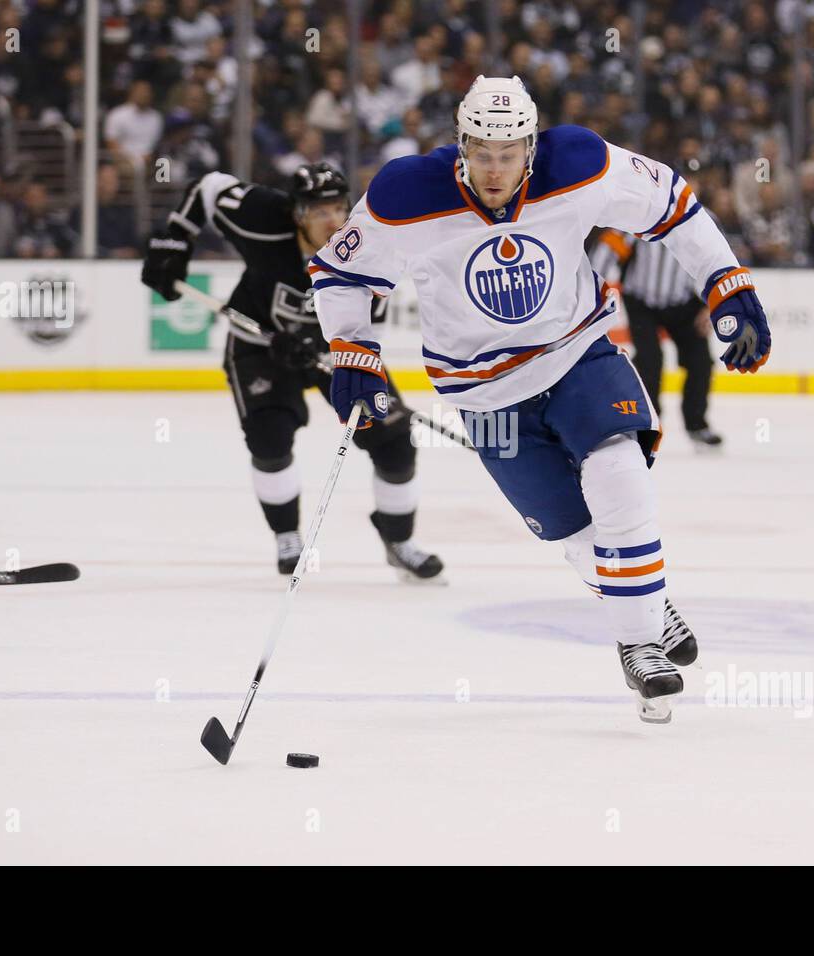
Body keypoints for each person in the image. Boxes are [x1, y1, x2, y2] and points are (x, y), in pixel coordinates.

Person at [310, 76, 771, 722]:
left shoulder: (578, 162)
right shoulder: (406, 193)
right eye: (482, 152)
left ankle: (638, 641)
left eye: (509, 153)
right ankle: (644, 606)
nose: (496, 169)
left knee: (619, 472)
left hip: (578, 354)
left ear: (531, 145)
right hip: (484, 393)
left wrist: (726, 282)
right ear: (460, 143)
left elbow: (669, 201)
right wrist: (353, 350)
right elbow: (340, 274)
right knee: (575, 530)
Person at [140, 161, 444, 581]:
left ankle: (400, 541)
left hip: (335, 350)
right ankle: (287, 536)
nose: (332, 221)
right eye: (318, 212)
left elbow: (364, 324)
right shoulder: (261, 216)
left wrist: (328, 352)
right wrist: (174, 241)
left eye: (338, 208)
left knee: (394, 441)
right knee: (269, 438)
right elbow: (208, 187)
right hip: (259, 345)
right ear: (296, 213)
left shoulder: (368, 241)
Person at [590, 228, 723, 448]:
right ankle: (647, 424)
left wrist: (710, 304)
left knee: (700, 362)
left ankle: (697, 425)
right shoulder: (641, 211)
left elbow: (716, 262)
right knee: (649, 361)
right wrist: (592, 287)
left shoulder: (702, 219)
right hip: (642, 302)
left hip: (685, 303)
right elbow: (608, 248)